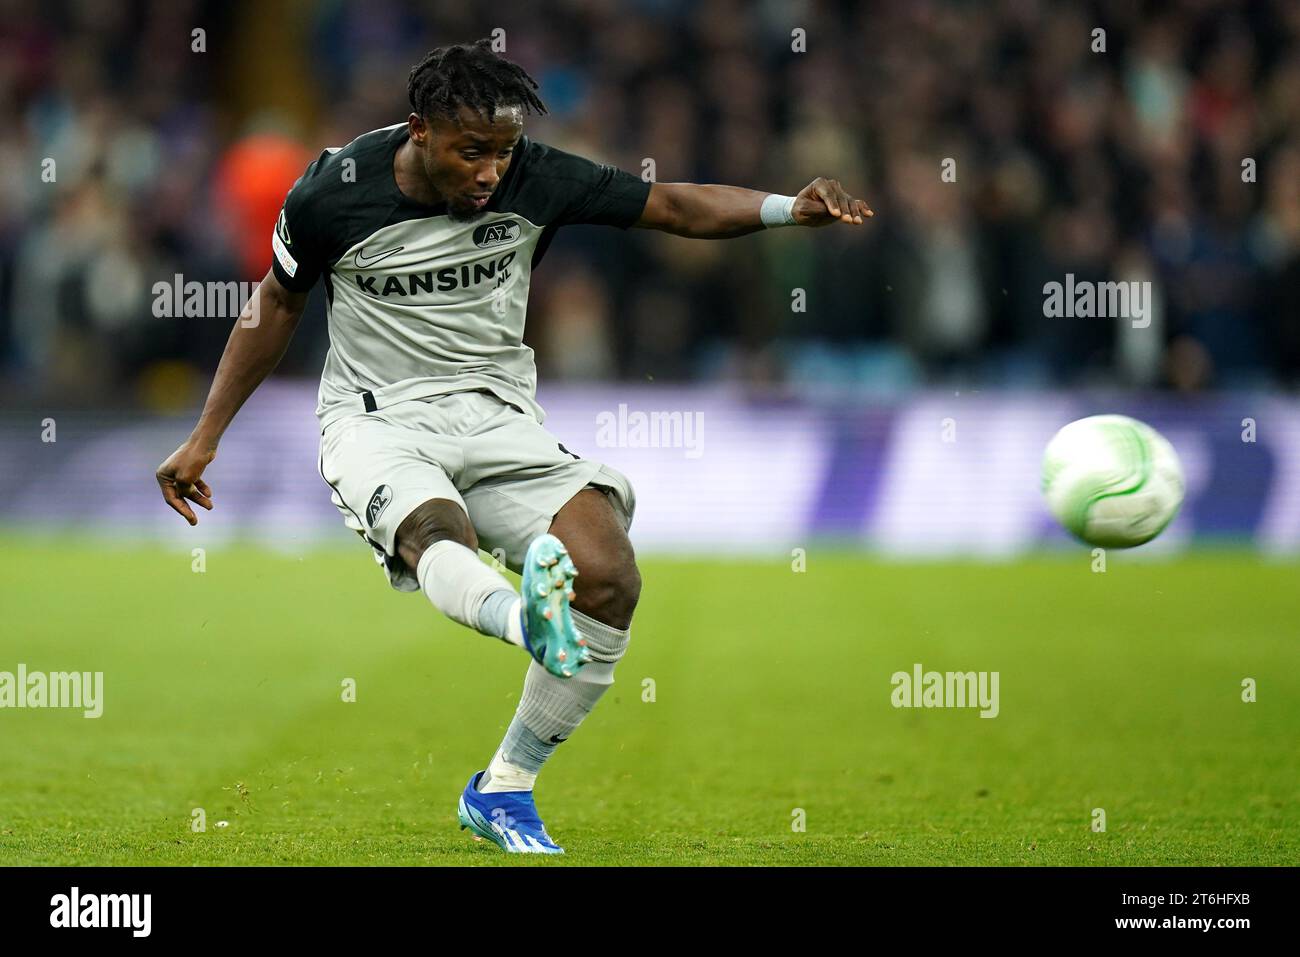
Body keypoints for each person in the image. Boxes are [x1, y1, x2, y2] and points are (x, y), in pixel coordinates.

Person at [155, 38, 872, 854]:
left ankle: (503, 787)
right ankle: (522, 618)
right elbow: (275, 307)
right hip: (376, 419)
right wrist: (205, 436)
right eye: (472, 153)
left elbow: (671, 206)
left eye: (501, 152)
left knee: (608, 576)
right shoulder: (334, 191)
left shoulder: (536, 174)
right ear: (419, 131)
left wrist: (788, 207)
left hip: (498, 417)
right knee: (433, 530)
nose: (491, 172)